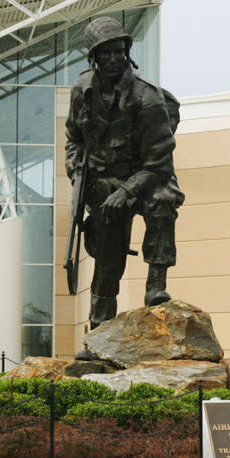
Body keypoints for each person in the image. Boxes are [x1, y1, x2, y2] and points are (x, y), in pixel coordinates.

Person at [65, 16, 184, 331]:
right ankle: (100, 326)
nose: (115, 58)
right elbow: (73, 140)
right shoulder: (82, 91)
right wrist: (76, 171)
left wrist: (127, 192)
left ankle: (155, 287)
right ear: (94, 58)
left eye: (119, 51)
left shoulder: (148, 97)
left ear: (128, 52)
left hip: (147, 181)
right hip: (105, 184)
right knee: (108, 252)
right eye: (106, 53)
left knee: (162, 203)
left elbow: (160, 163)